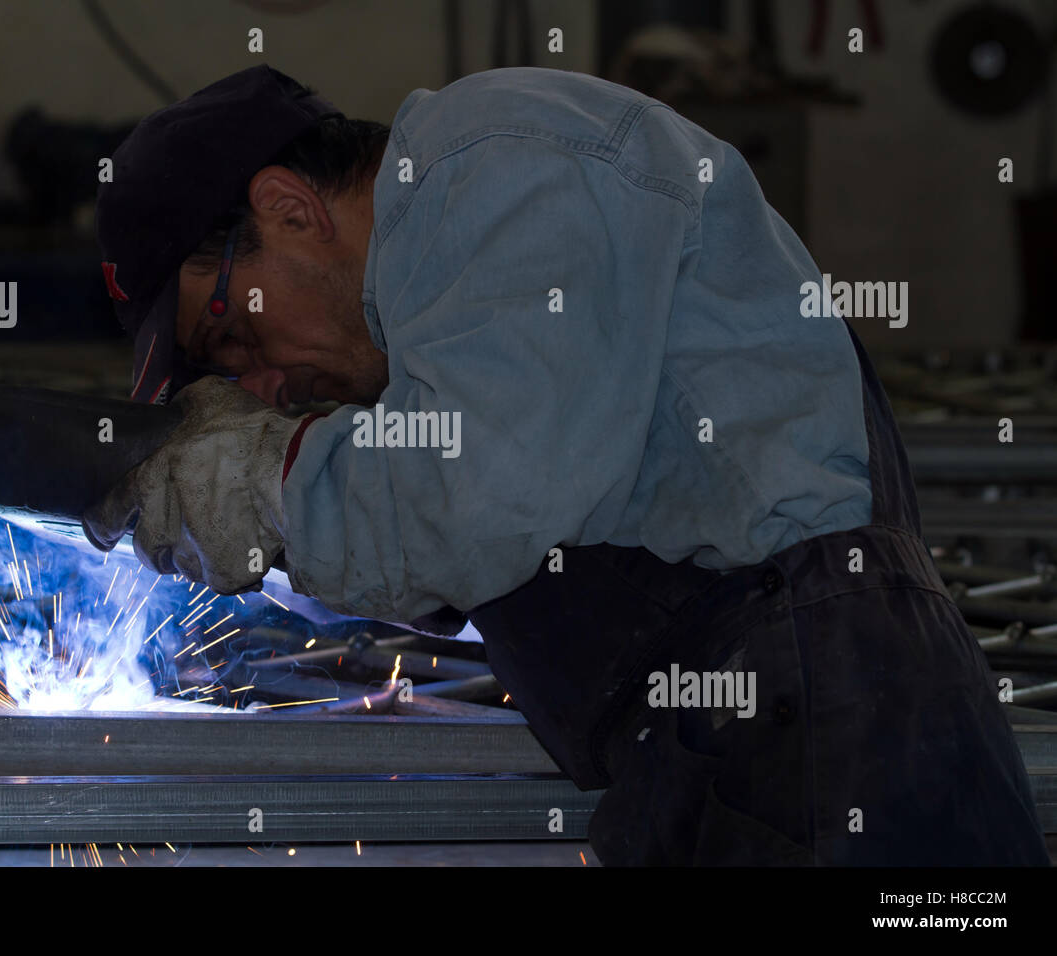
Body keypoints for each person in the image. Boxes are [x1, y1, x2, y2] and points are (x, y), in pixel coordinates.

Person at [86, 64, 1048, 865]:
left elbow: (469, 495)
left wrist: (261, 482)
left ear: (290, 209)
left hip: (825, 742)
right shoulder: (456, 280)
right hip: (768, 737)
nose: (260, 389)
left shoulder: (504, 164)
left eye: (228, 340)